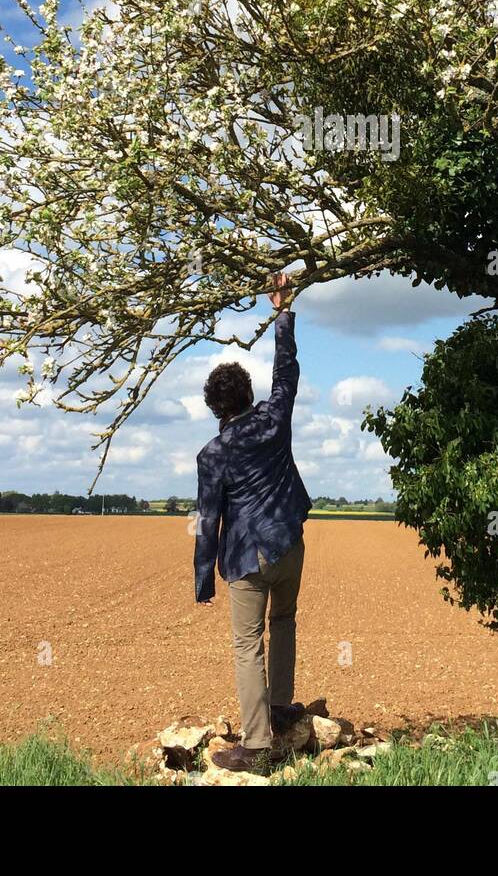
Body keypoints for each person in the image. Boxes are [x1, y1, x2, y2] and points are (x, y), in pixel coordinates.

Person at [193, 272, 312, 774]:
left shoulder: (212, 454)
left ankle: (258, 745)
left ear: (213, 407)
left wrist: (203, 580)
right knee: (283, 622)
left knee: (247, 644)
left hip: (247, 558)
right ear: (247, 393)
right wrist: (281, 312)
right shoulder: (273, 419)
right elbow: (287, 374)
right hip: (289, 544)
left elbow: (207, 521)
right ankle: (283, 710)